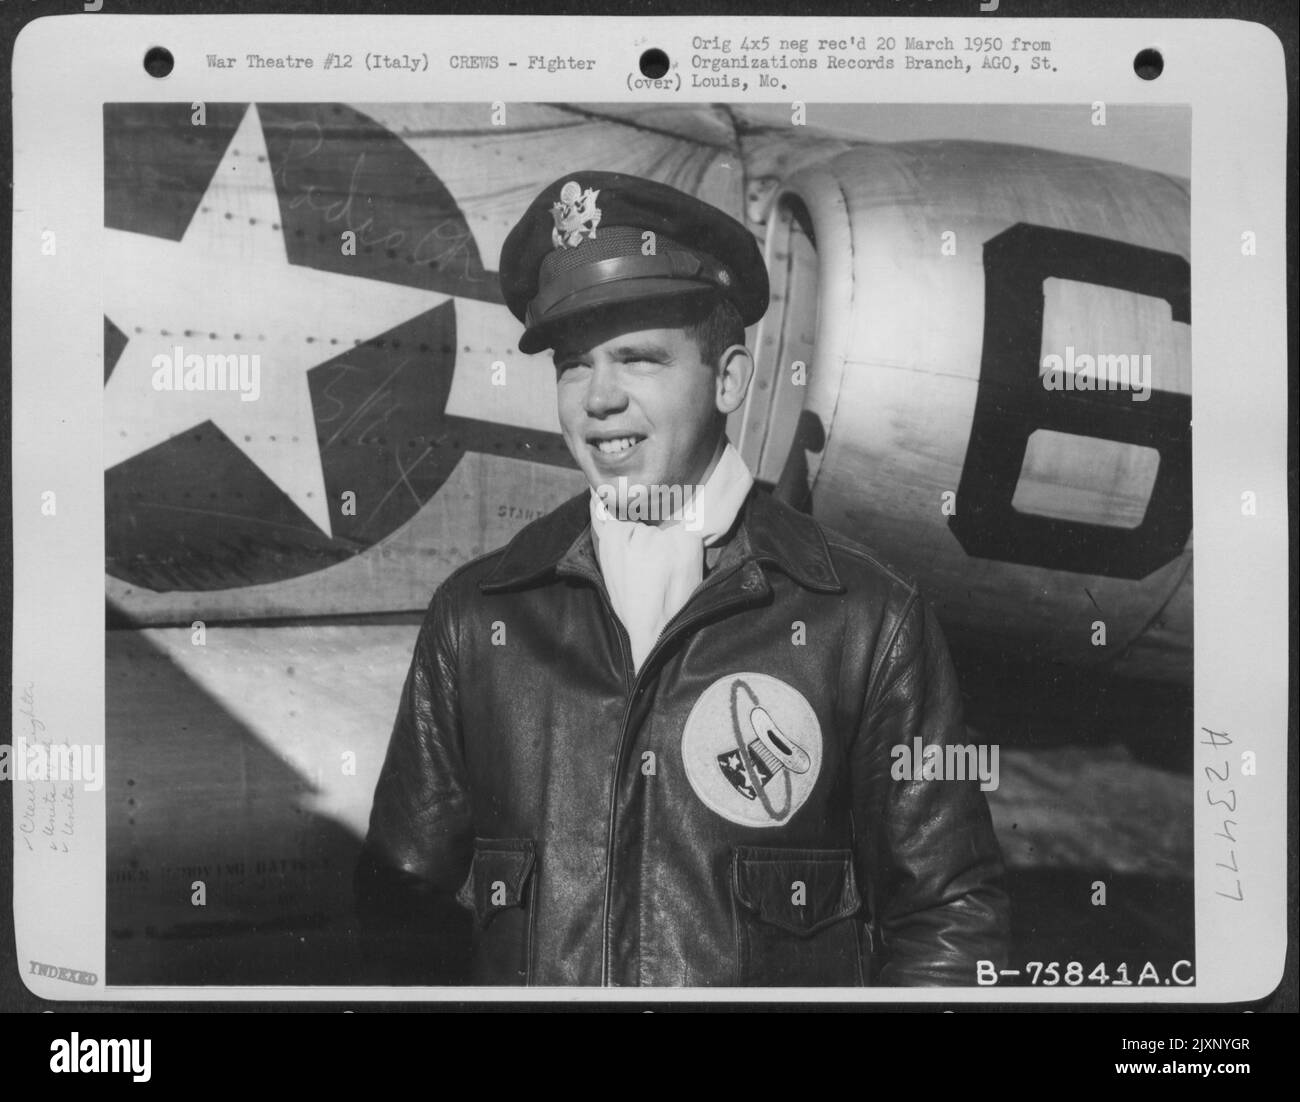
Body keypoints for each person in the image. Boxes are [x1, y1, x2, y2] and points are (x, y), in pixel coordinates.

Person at [355, 170, 1009, 986]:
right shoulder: (479, 618)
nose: (598, 398)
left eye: (638, 358)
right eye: (573, 365)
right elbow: (400, 915)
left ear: (728, 379)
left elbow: (949, 919)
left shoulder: (865, 620)